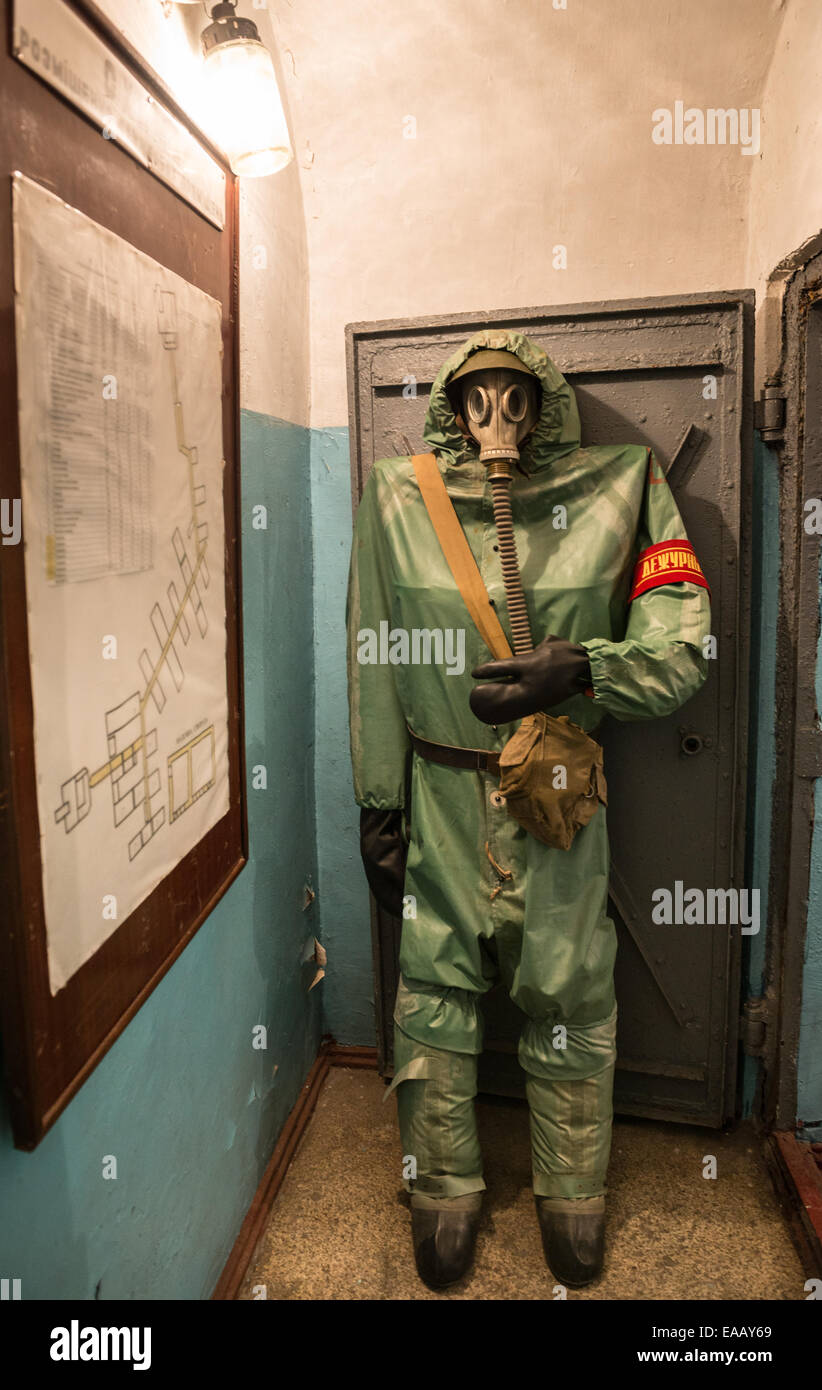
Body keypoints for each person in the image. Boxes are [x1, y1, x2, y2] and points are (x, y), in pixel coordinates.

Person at [346, 328, 710, 1290]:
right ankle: (443, 1187)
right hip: (438, 786)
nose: (494, 419)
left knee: (569, 984)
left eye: (515, 398)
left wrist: (587, 664)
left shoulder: (622, 486)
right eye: (476, 398)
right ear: (452, 409)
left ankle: (572, 1189)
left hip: (554, 782)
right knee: (432, 984)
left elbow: (683, 643)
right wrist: (378, 801)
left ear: (543, 408)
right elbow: (373, 651)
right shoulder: (398, 498)